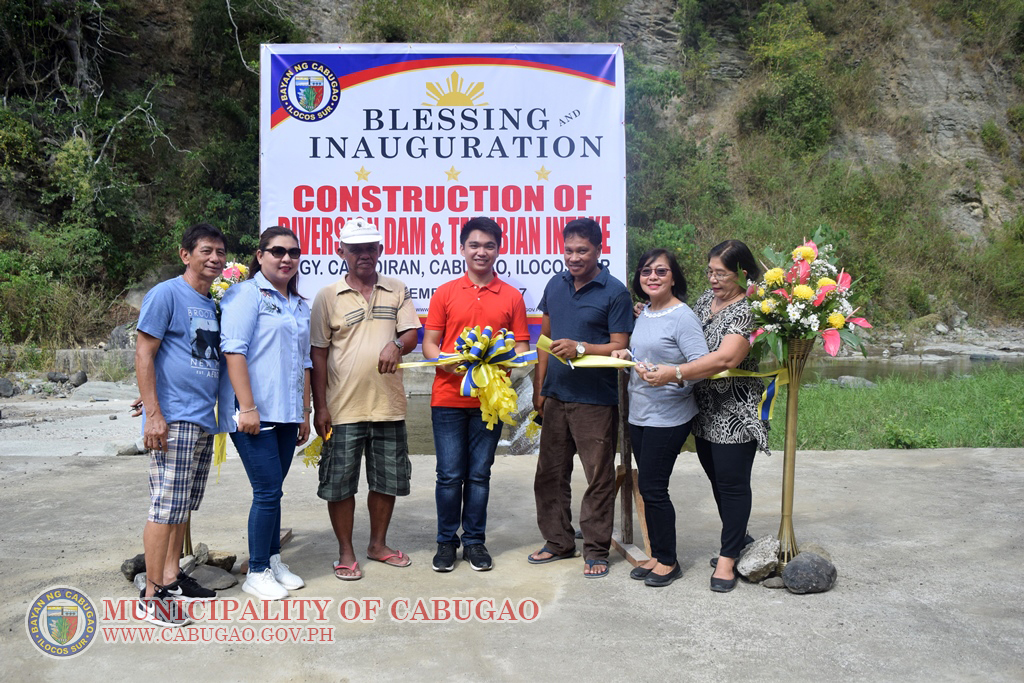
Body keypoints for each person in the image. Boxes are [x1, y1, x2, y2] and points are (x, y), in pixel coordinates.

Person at [646, 239, 766, 593]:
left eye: (721, 274)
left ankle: (729, 556)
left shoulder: (750, 310)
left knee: (732, 482)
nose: (713, 279)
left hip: (734, 412)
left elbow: (725, 359)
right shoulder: (704, 301)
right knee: (717, 480)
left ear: (743, 274)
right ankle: (739, 538)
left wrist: (674, 373)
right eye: (710, 271)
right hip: (703, 409)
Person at [310, 218, 420, 581]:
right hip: (342, 408)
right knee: (340, 483)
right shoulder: (327, 296)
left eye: (371, 248)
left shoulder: (396, 289)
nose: (364, 255)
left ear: (380, 251)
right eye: (356, 249)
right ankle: (346, 551)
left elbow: (410, 334)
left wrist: (396, 344)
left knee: (386, 480)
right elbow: (319, 355)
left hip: (388, 405)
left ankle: (378, 544)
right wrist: (320, 407)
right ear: (340, 252)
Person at [422, 216, 530, 572]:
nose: (481, 251)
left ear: (499, 249)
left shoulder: (512, 296)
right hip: (449, 399)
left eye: (489, 245)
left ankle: (475, 542)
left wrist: (502, 361)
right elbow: (430, 344)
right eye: (474, 245)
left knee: (480, 474)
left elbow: (522, 346)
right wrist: (448, 363)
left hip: (491, 401)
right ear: (462, 248)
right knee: (450, 474)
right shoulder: (445, 293)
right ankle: (445, 542)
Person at [529, 218, 634, 578]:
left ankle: (596, 549)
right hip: (556, 396)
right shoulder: (554, 286)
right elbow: (544, 339)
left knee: (598, 477)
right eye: (569, 250)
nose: (574, 258)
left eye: (582, 251)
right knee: (549, 474)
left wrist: (582, 348)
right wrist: (539, 387)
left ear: (598, 251)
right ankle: (558, 541)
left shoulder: (615, 292)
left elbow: (621, 345)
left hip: (595, 400)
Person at [134, 222, 225, 627]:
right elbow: (144, 352)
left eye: (220, 252)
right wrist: (154, 412)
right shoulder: (167, 293)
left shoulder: (212, 304)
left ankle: (171, 576)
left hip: (203, 417)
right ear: (185, 254)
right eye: (206, 250)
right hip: (174, 418)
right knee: (164, 506)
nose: (214, 258)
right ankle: (152, 594)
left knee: (182, 505)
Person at [220, 226, 312, 601]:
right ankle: (256, 570)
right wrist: (248, 407)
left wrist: (304, 411)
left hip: (288, 413)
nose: (286, 258)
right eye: (277, 251)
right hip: (253, 415)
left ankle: (272, 559)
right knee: (267, 490)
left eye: (293, 252)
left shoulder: (300, 304)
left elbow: (306, 361)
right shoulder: (245, 295)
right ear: (260, 256)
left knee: (275, 490)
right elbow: (234, 351)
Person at [610, 249, 708, 587]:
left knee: (654, 487)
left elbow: (702, 366)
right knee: (649, 488)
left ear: (674, 277)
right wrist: (627, 354)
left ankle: (669, 560)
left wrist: (672, 375)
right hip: (640, 412)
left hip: (668, 416)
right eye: (646, 271)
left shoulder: (683, 317)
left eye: (661, 271)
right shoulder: (647, 313)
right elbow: (648, 355)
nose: (652, 277)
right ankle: (657, 554)